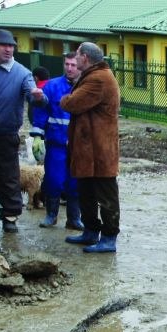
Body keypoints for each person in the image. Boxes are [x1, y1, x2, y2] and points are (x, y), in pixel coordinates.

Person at [0, 28, 44, 234]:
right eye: (4, 45)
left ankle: (10, 217)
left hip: (6, 133)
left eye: (12, 46)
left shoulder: (21, 72)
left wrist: (38, 97)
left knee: (8, 177)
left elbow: (32, 93)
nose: (8, 49)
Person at [60, 42, 121, 253]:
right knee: (86, 192)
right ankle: (91, 232)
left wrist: (64, 99)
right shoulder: (93, 75)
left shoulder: (98, 79)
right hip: (89, 149)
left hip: (100, 149)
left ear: (85, 57)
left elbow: (72, 103)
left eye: (77, 55)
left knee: (106, 194)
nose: (74, 59)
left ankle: (109, 238)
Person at [30, 52, 83, 229]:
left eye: (73, 65)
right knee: (54, 180)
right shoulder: (52, 86)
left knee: (75, 182)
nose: (69, 68)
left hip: (78, 145)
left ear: (80, 65)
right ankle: (51, 215)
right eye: (67, 64)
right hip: (56, 142)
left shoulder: (85, 86)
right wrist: (38, 134)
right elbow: (41, 111)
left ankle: (74, 218)